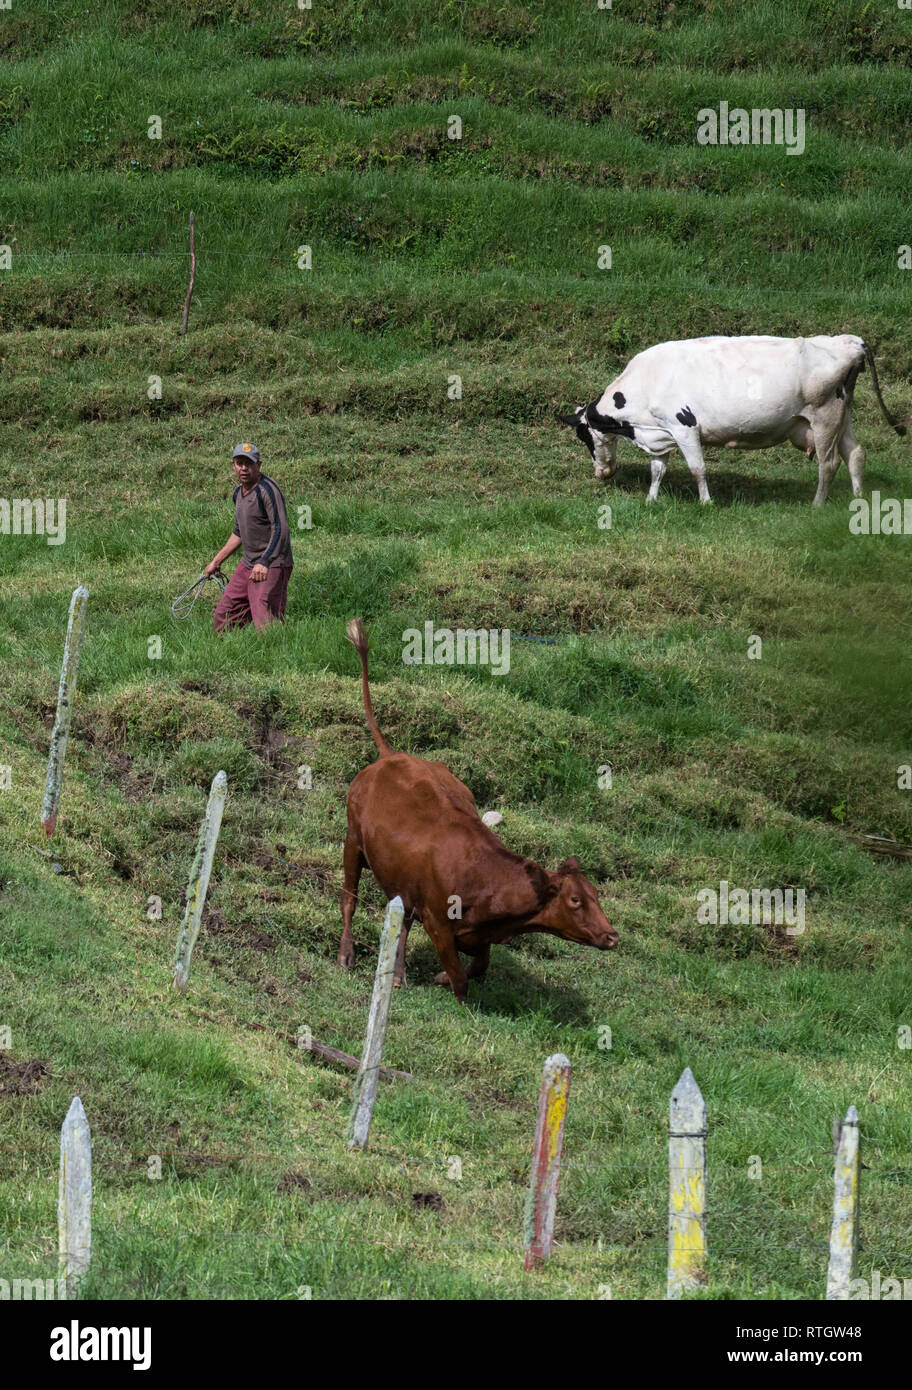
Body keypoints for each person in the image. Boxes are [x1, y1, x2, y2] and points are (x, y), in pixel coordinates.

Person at [207, 443, 293, 632]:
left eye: (249, 463)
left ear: (258, 465)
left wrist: (264, 562)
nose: (244, 468)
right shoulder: (238, 493)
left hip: (273, 562)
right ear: (233, 466)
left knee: (265, 623)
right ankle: (232, 654)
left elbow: (281, 529)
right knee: (223, 616)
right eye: (240, 463)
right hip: (249, 563)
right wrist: (217, 561)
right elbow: (238, 533)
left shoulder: (268, 490)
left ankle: (273, 656)